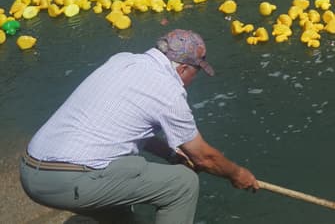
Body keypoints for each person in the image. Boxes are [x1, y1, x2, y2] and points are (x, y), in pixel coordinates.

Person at [20, 30, 257, 223]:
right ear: (183, 69)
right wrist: (238, 174)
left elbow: (129, 129)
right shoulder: (169, 92)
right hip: (65, 181)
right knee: (183, 184)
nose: (192, 81)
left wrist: (170, 154)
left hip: (31, 170)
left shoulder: (122, 60)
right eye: (195, 73)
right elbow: (205, 158)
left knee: (130, 166)